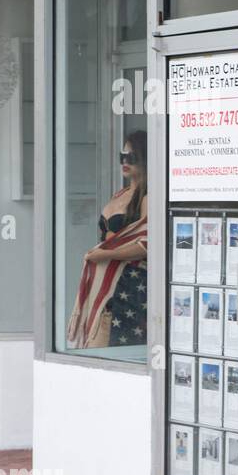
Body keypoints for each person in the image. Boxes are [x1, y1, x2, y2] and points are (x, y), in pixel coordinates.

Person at [66, 130, 149, 349]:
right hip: (104, 281)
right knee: (98, 339)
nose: (125, 162)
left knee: (110, 340)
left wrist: (107, 254)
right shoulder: (119, 194)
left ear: (144, 158)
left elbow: (147, 243)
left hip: (128, 284)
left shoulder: (148, 196)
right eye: (122, 156)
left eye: (131, 157)